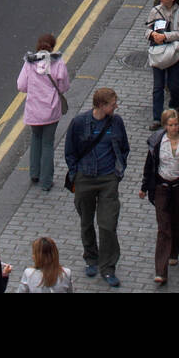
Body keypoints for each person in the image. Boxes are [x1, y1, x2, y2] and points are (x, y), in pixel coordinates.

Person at [64, 87, 130, 287]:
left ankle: (108, 267)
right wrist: (76, 174)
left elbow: (124, 148)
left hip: (108, 179)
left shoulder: (116, 122)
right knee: (86, 222)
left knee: (107, 224)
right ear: (101, 105)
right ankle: (91, 258)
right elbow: (70, 152)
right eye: (113, 103)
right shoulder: (79, 123)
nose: (116, 106)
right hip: (85, 178)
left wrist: (118, 172)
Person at [138, 108, 179, 284]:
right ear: (165, 126)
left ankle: (175, 250)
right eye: (171, 125)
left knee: (176, 221)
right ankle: (161, 270)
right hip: (161, 187)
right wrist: (144, 187)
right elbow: (149, 165)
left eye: (176, 124)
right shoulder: (158, 142)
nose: (174, 128)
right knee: (163, 228)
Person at [17, 34, 71, 193]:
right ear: (52, 46)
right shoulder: (58, 62)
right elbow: (64, 86)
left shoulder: (29, 63)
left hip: (34, 110)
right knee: (48, 144)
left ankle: (34, 173)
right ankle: (46, 182)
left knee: (35, 139)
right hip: (51, 110)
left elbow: (21, 86)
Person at [146, 0, 179, 129]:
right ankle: (157, 118)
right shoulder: (155, 11)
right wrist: (153, 35)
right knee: (158, 87)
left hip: (175, 54)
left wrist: (165, 36)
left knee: (174, 85)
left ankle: (174, 106)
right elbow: (147, 30)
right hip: (159, 53)